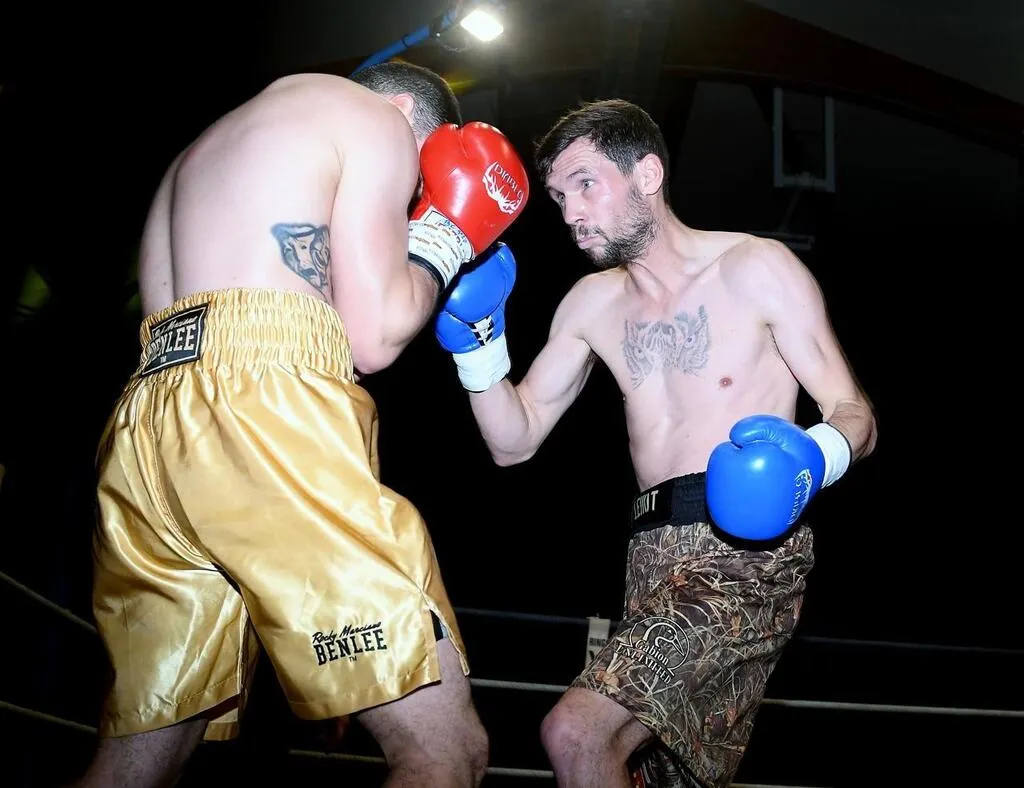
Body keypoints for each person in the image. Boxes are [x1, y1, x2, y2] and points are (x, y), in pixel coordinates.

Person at [74, 62, 530, 788]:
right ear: (419, 123)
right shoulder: (376, 120)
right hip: (266, 413)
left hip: (146, 432)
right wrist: (445, 236)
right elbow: (374, 336)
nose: (414, 197)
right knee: (447, 752)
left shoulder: (199, 154)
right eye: (421, 180)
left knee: (135, 768)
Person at [433, 98, 877, 787]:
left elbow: (853, 410)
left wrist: (812, 459)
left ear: (647, 173)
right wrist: (480, 350)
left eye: (586, 185)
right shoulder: (589, 304)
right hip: (647, 559)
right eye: (558, 197)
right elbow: (513, 440)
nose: (571, 213)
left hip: (745, 554)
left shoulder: (754, 267)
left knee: (577, 730)